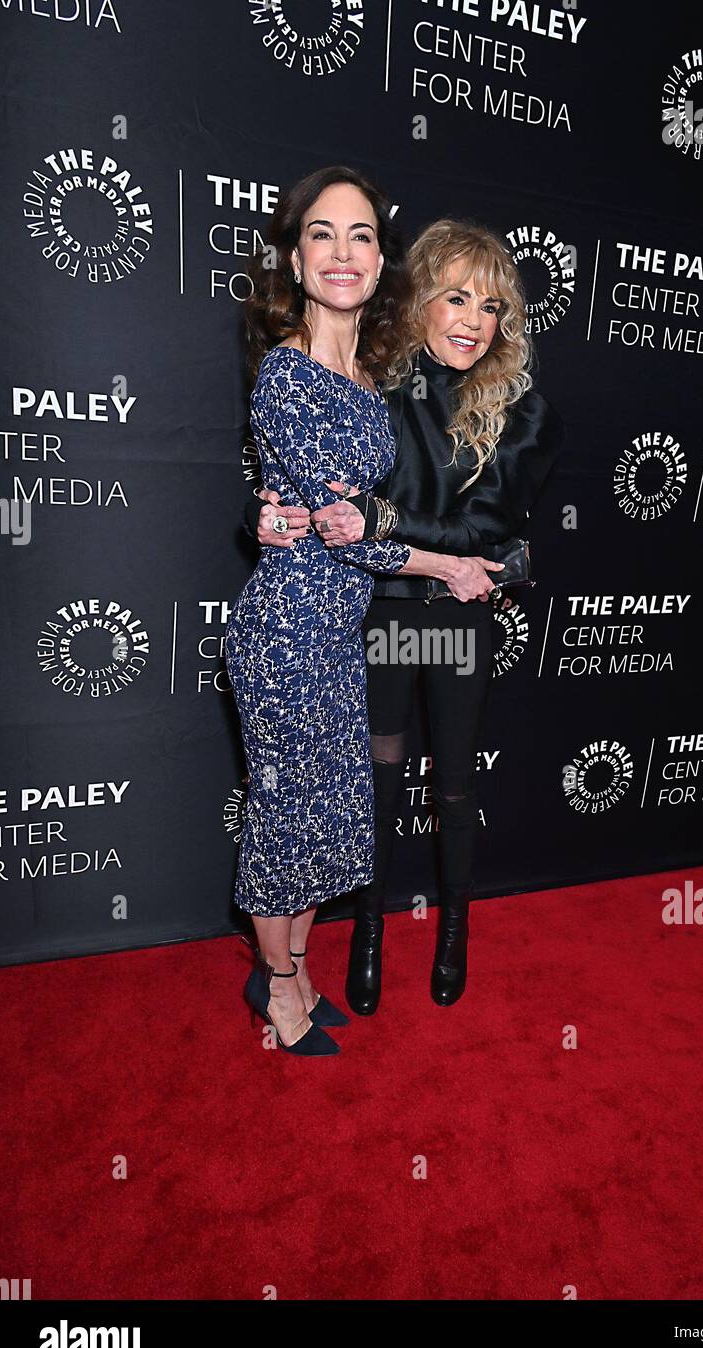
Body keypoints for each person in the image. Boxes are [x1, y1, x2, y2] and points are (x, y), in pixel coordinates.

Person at [247, 218, 566, 1012]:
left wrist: (379, 521)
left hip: (458, 616)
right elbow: (315, 485)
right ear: (420, 299)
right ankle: (368, 933)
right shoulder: (374, 383)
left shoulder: (525, 412)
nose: (470, 320)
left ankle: (453, 929)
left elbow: (483, 534)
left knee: (455, 788)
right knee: (376, 786)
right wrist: (278, 514)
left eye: (491, 306)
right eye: (454, 297)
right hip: (382, 609)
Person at [226, 175, 503, 1058]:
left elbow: (352, 517)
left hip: (337, 634)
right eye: (322, 236)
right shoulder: (287, 371)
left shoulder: (368, 374)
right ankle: (277, 989)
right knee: (283, 819)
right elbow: (349, 533)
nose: (342, 253)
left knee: (321, 816)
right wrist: (445, 562)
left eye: (360, 238)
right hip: (286, 633)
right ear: (297, 257)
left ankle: (295, 965)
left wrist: (437, 549)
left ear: (382, 260)